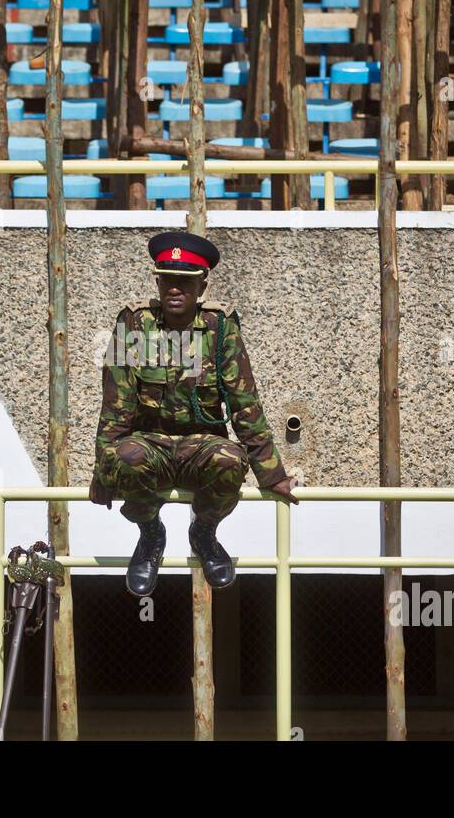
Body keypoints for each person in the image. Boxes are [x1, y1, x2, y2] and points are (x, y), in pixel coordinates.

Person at [89, 230, 299, 597]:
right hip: (149, 443)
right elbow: (115, 405)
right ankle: (150, 534)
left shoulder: (220, 329)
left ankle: (204, 532)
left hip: (200, 445)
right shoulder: (134, 325)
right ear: (157, 281)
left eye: (184, 282)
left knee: (229, 459)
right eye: (167, 280)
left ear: (201, 288)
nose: (174, 289)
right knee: (126, 458)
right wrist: (103, 473)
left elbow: (244, 403)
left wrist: (271, 474)